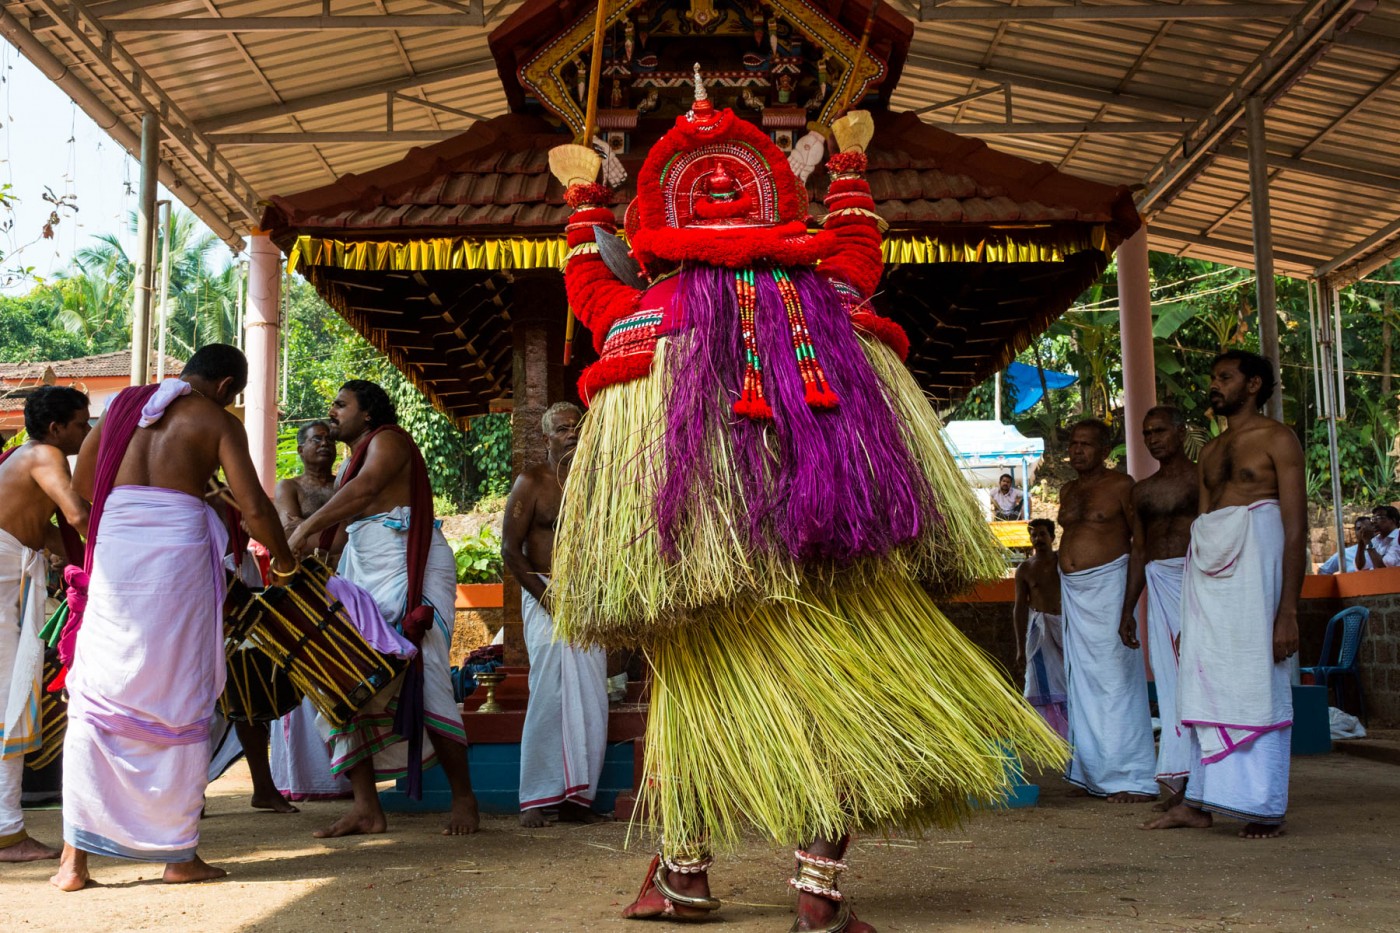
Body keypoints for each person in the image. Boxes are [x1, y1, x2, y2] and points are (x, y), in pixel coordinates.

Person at [548, 70, 1064, 930]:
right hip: (829, 547)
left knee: (695, 702)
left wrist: (584, 201)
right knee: (847, 700)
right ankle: (815, 898)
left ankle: (682, 880)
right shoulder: (829, 301)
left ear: (665, 219)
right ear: (772, 204)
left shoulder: (649, 310)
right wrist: (849, 171)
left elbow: (587, 291)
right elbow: (861, 249)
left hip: (705, 553)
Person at [53, 344, 296, 891]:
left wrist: (127, 520)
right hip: (175, 558)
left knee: (99, 689)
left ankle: (74, 861)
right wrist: (283, 559)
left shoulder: (118, 408)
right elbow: (254, 508)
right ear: (228, 385)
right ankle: (178, 857)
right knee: (179, 691)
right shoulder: (216, 419)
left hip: (117, 548)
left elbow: (84, 490)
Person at [287, 380, 478, 838]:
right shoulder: (346, 468)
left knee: (426, 670)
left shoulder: (389, 441)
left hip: (410, 566)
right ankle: (367, 808)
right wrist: (292, 544)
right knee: (345, 674)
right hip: (364, 569)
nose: (331, 412)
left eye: (340, 404)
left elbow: (366, 492)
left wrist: (302, 529)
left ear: (367, 413)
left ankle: (463, 796)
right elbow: (338, 533)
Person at [1146, 350, 1304, 839]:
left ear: (1253, 384)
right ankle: (1198, 801)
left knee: (1258, 679)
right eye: (1213, 377)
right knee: (1206, 681)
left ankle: (1262, 807)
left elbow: (1295, 528)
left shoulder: (1278, 439)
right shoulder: (1210, 453)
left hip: (1258, 576)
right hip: (1211, 580)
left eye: (1225, 377)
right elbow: (1206, 527)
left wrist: (1288, 612)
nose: (1215, 385)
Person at [502, 401, 610, 828]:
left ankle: (578, 800)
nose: (571, 434)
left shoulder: (594, 482)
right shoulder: (531, 481)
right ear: (545, 437)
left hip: (584, 597)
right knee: (549, 691)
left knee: (591, 696)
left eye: (575, 427)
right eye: (562, 428)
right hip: (543, 590)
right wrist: (548, 600)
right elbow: (510, 550)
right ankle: (535, 798)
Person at [0, 387, 91, 863]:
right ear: (56, 428)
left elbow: (46, 530)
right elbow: (75, 516)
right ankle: (7, 834)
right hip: (4, 582)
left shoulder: (29, 455)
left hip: (12, 576)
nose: (88, 430)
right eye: (81, 422)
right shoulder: (45, 455)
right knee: (8, 701)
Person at [1057, 419, 1158, 803]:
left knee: (1117, 680)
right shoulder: (1067, 490)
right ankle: (1094, 772)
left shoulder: (1122, 486)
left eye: (1086, 444)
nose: (1078, 450)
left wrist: (1129, 606)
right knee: (1083, 684)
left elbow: (1140, 546)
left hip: (1110, 588)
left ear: (1104, 450)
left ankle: (1133, 777)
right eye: (1073, 443)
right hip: (1075, 594)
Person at [1118, 406, 1199, 809]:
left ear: (1181, 432)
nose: (1153, 439)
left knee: (1202, 681)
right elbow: (1138, 550)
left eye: (1161, 430)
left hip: (1197, 582)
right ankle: (1181, 783)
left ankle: (1208, 782)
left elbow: (1214, 537)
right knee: (1168, 686)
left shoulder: (1202, 479)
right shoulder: (1142, 490)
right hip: (1157, 585)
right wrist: (1127, 609)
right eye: (1147, 433)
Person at [267, 420, 351, 803]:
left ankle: (345, 776)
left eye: (329, 439)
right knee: (303, 682)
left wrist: (314, 534)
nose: (325, 445)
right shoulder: (290, 487)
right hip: (303, 589)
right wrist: (333, 536)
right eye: (317, 439)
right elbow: (288, 529)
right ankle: (304, 778)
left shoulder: (344, 486)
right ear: (300, 448)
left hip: (343, 586)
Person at [1013, 519, 1068, 738]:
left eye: (1042, 534)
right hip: (1039, 630)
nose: (1038, 539)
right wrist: (1019, 647)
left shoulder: (1064, 560)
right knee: (1038, 681)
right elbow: (1019, 607)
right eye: (1033, 535)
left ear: (1053, 537)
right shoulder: (1025, 568)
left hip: (1066, 625)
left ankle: (1073, 730)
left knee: (1070, 678)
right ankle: (1047, 734)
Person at [1352, 505, 1400, 570]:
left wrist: (1367, 541)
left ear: (1393, 520)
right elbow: (1360, 567)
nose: (1374, 521)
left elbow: (1383, 567)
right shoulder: (1375, 540)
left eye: (1378, 517)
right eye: (1373, 518)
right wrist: (1361, 541)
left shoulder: (1398, 537)